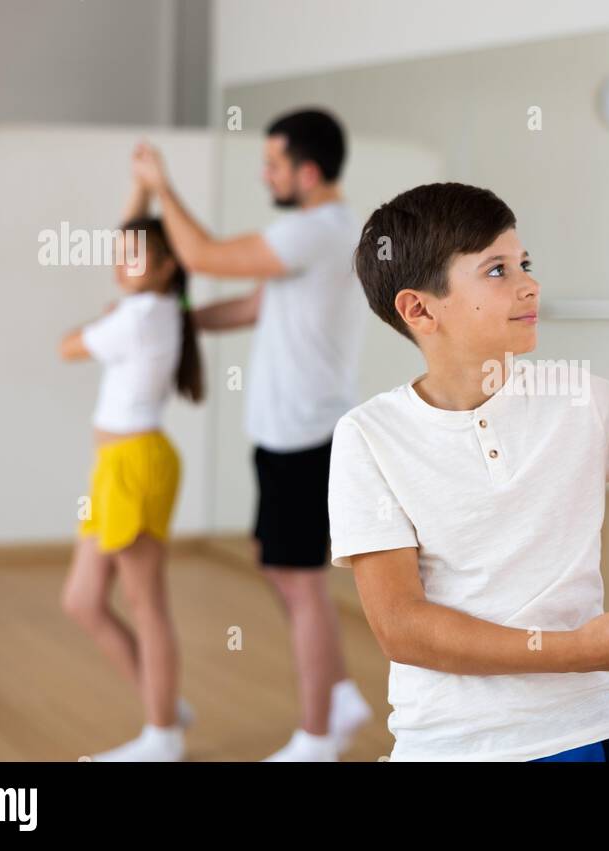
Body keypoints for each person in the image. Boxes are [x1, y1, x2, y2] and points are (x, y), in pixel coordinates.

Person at [327, 182, 609, 761]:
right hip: (444, 745)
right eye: (496, 270)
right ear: (418, 309)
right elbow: (401, 627)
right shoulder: (368, 436)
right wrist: (580, 649)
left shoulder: (586, 401)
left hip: (582, 735)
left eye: (524, 263)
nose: (529, 283)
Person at [130, 109, 372, 761]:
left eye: (273, 163)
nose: (265, 173)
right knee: (278, 564)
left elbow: (204, 254)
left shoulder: (314, 230)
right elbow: (254, 305)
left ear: (308, 171)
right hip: (282, 433)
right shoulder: (311, 236)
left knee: (301, 580)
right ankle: (341, 694)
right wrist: (174, 317)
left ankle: (317, 738)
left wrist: (160, 187)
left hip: (306, 436)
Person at [58, 178, 203, 762]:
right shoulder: (155, 304)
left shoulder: (139, 314)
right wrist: (141, 193)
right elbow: (135, 243)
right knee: (82, 600)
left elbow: (66, 346)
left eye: (134, 258)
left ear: (167, 266)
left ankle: (162, 735)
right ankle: (162, 699)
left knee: (148, 606)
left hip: (135, 466)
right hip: (116, 467)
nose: (120, 264)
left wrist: (106, 313)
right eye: (118, 257)